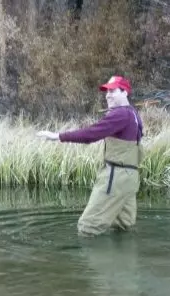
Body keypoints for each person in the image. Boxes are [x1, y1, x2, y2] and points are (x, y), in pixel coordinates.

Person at [36, 76, 144, 236]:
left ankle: (90, 259)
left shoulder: (120, 114)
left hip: (116, 177)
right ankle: (124, 260)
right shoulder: (133, 114)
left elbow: (91, 134)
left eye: (113, 91)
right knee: (123, 226)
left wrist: (58, 136)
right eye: (107, 91)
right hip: (130, 178)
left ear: (125, 92)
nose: (108, 95)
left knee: (87, 227)